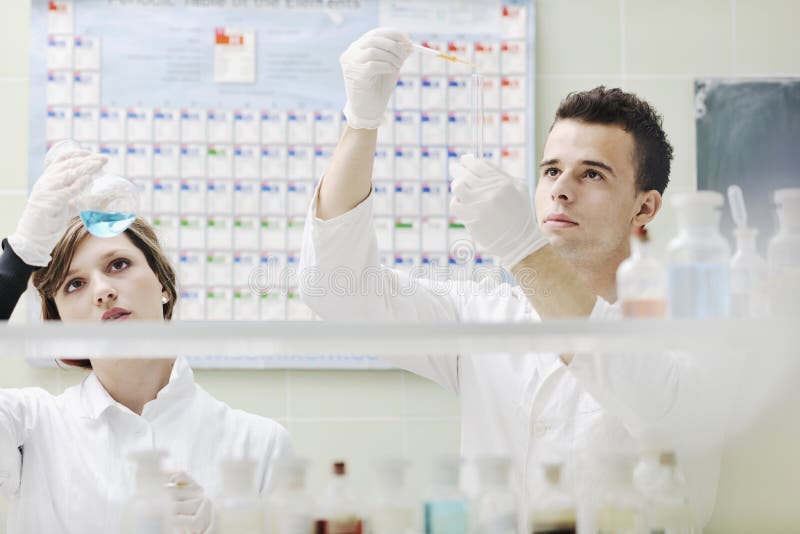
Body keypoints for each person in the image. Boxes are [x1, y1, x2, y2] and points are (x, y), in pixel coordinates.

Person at [299, 28, 721, 529]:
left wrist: (524, 251)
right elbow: (335, 286)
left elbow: (653, 401)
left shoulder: (693, 325)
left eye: (592, 174)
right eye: (550, 171)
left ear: (644, 207)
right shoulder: (483, 313)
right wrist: (362, 123)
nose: (560, 190)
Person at [0, 149, 293, 533]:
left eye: (118, 265)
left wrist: (222, 528)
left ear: (163, 286)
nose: (102, 291)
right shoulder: (27, 425)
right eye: (75, 284)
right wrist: (18, 259)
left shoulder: (258, 443)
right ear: (60, 323)